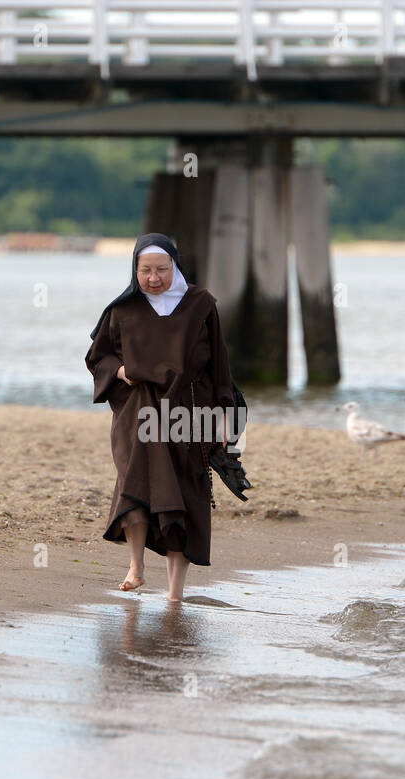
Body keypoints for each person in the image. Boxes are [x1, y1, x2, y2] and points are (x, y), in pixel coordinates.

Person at [85, 233, 237, 603]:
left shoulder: (200, 304)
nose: (153, 278)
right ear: (134, 270)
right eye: (145, 271)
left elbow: (220, 366)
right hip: (136, 410)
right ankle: (135, 567)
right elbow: (98, 357)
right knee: (134, 485)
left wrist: (224, 417)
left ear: (175, 267)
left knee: (184, 497)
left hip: (189, 411)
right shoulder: (121, 311)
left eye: (161, 270)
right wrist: (121, 373)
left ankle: (175, 594)